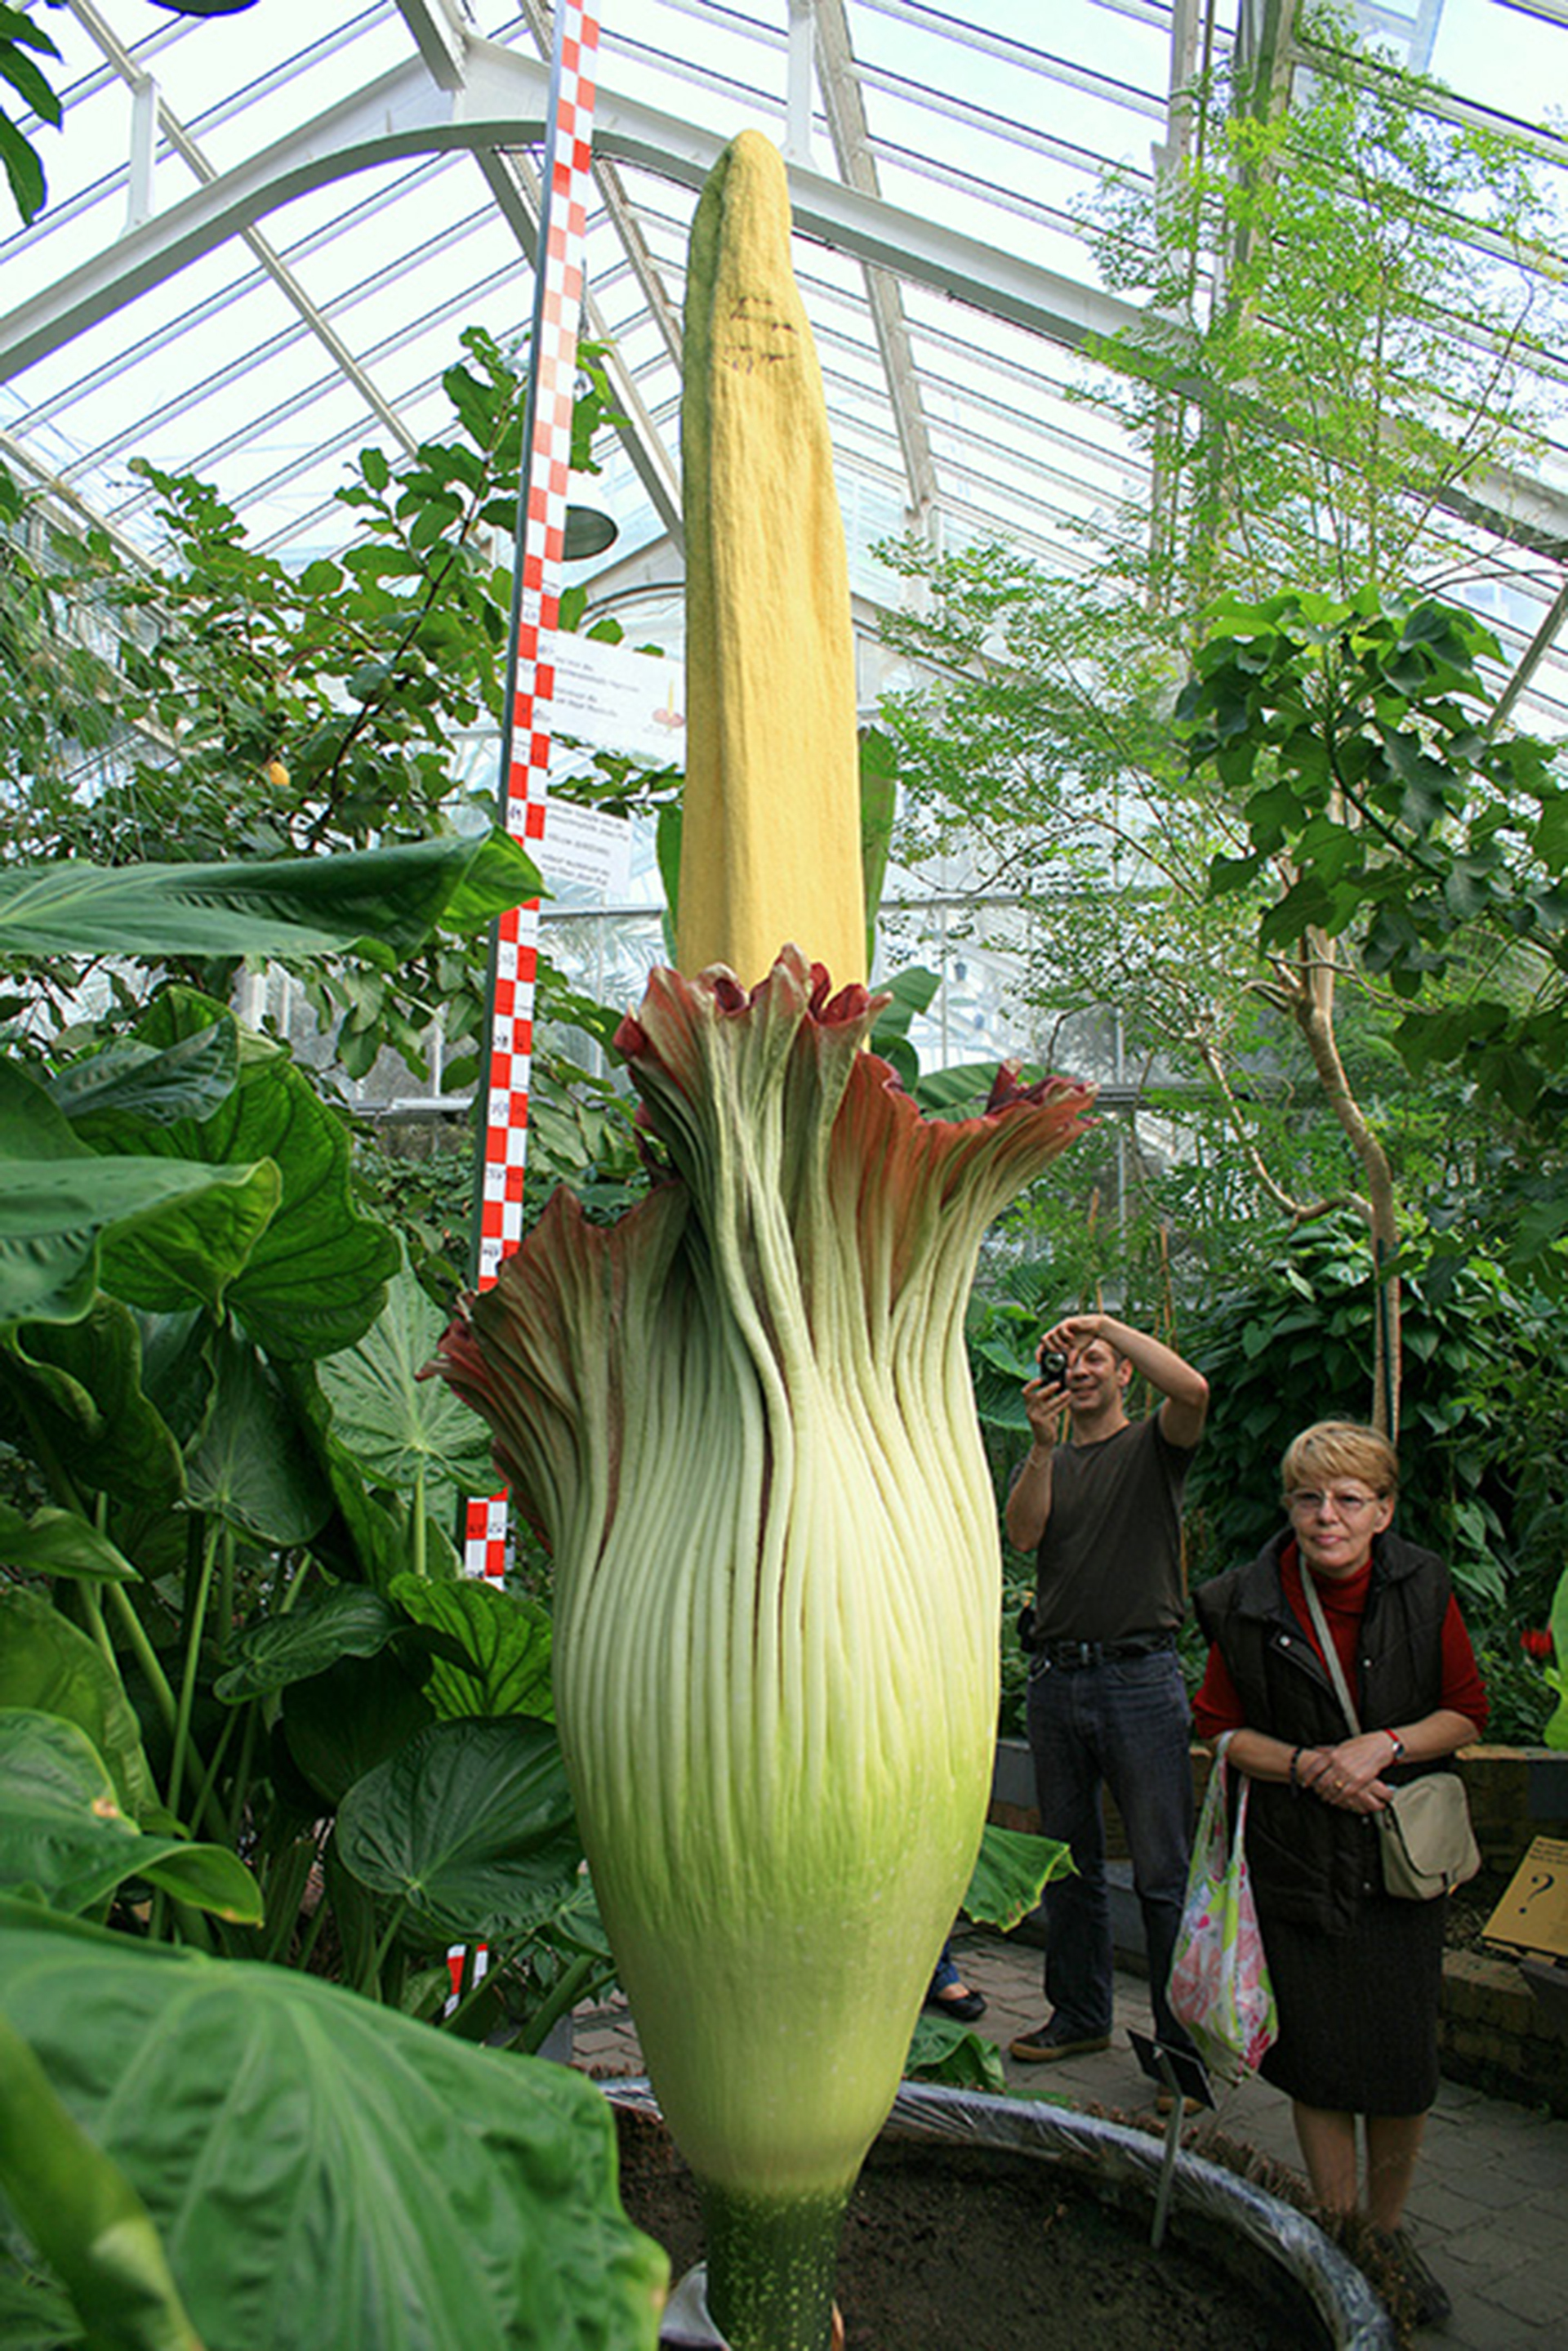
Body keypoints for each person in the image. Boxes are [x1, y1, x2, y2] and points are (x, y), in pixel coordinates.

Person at [1191, 1421, 1487, 2322]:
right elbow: (1217, 1725)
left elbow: (1466, 1712)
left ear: (1383, 1510)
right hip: (1299, 1862)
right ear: (1290, 1504)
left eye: (1350, 1499)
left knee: (1398, 2066)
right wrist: (1312, 1765)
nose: (1328, 1516)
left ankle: (1386, 2236)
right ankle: (1338, 2228)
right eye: (1310, 1498)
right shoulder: (1243, 1601)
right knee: (1317, 2061)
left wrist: (1380, 1746)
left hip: (1397, 1870)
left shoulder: (1422, 1584)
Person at [1003, 1312, 1209, 2080]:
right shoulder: (1050, 1457)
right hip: (1058, 1681)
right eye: (1070, 1360)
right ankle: (1080, 2016)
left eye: (1098, 1359)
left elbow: (1193, 1389)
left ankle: (1180, 2052)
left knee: (1161, 1873)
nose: (1083, 1369)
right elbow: (1023, 1537)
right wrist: (1040, 1448)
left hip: (1139, 1681)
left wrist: (1106, 1325)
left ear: (1124, 1370)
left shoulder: (1154, 1446)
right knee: (1069, 1864)